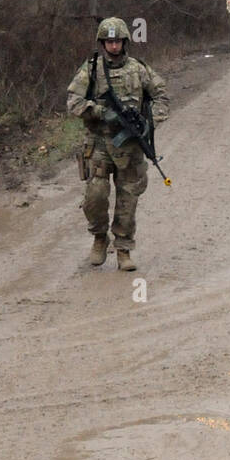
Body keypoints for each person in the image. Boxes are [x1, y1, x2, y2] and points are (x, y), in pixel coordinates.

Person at [67, 17, 169, 270]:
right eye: (109, 41)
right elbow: (73, 102)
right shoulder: (91, 70)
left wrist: (149, 123)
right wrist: (101, 112)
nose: (114, 46)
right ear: (103, 43)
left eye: (118, 41)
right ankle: (100, 237)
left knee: (128, 199)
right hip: (100, 142)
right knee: (96, 196)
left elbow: (161, 95)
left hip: (130, 146)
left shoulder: (138, 69)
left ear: (125, 42)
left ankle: (123, 249)